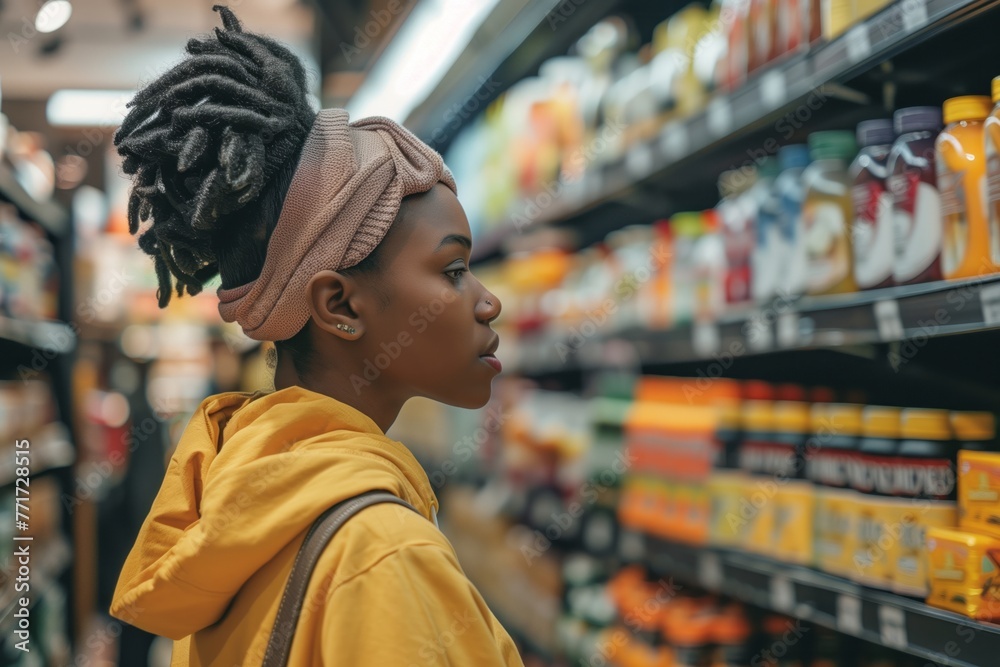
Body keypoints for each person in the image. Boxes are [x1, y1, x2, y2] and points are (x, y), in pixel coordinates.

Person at [108, 6, 520, 666]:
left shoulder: (241, 509)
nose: (488, 300)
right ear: (338, 305)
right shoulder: (384, 552)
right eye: (452, 269)